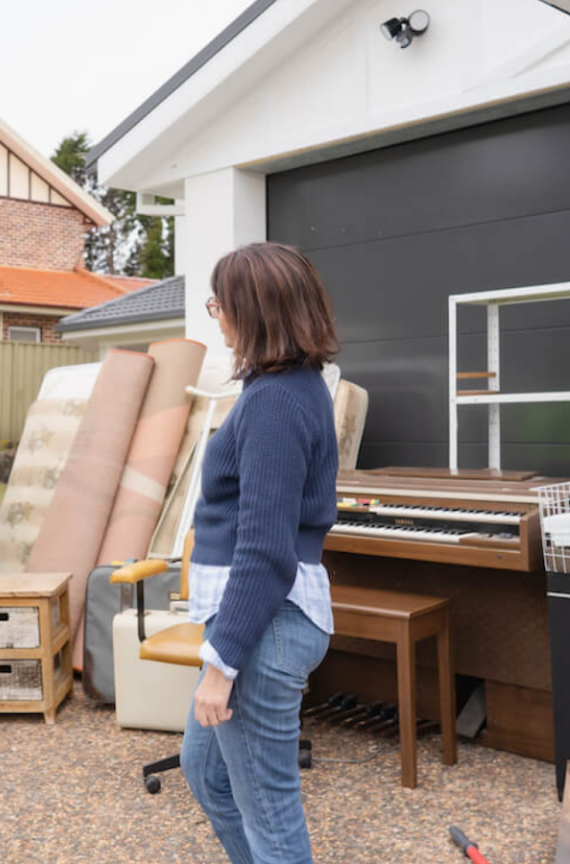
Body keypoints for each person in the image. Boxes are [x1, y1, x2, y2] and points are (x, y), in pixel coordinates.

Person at [183, 243, 339, 863]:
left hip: (260, 630)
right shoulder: (290, 387)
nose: (215, 316)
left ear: (251, 311)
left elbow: (267, 551)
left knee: (271, 814)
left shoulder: (275, 402)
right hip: (256, 623)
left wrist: (220, 666)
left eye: (219, 304)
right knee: (207, 773)